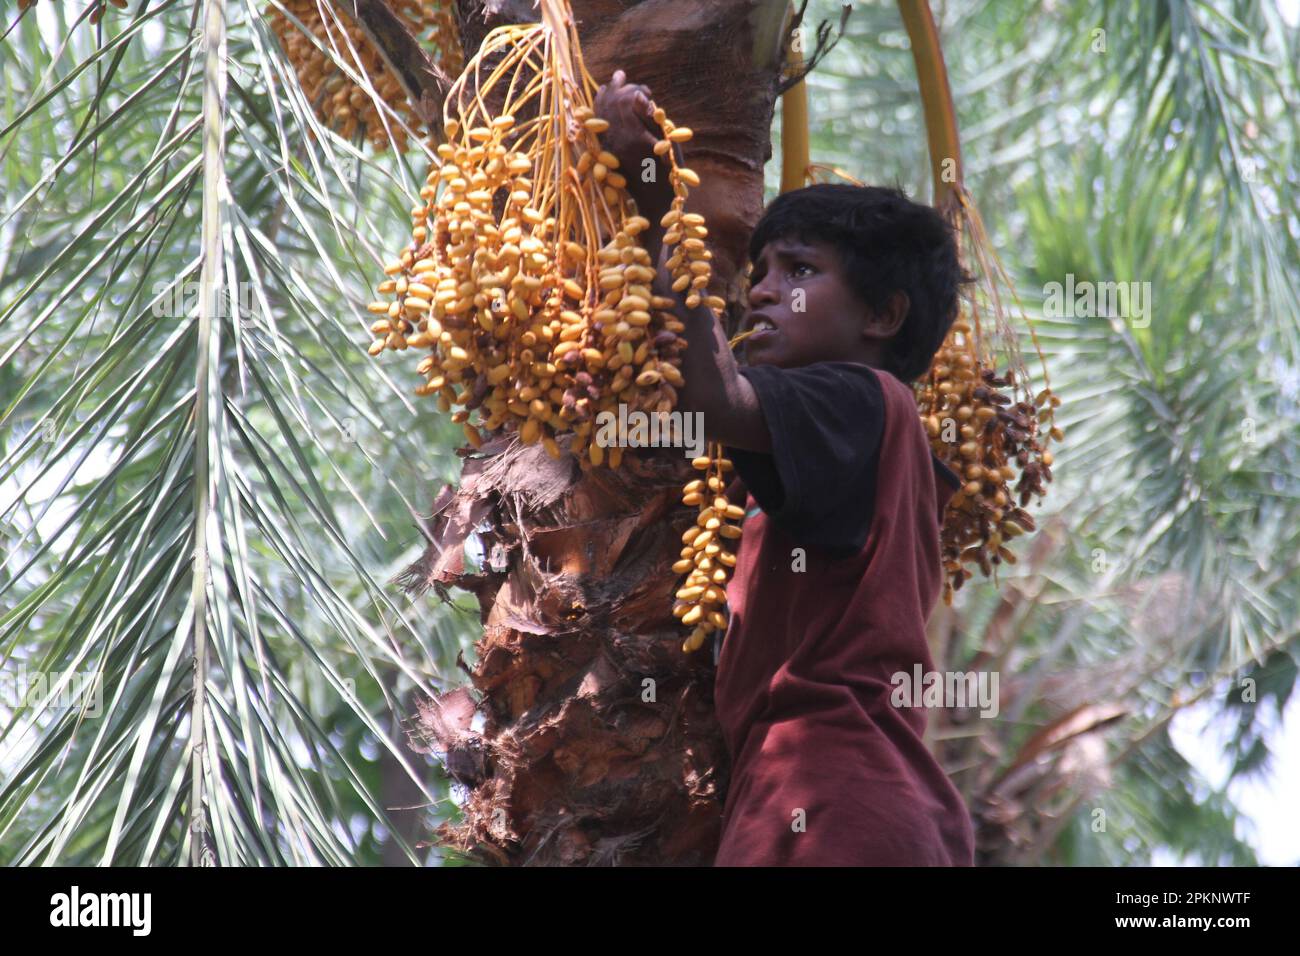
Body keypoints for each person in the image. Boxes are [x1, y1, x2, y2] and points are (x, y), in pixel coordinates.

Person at [596, 71, 976, 866]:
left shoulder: (867, 400)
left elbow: (713, 400)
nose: (761, 294)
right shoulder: (828, 447)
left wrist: (655, 195)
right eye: (759, 270)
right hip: (829, 806)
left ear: (883, 315)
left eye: (799, 271)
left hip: (835, 801)